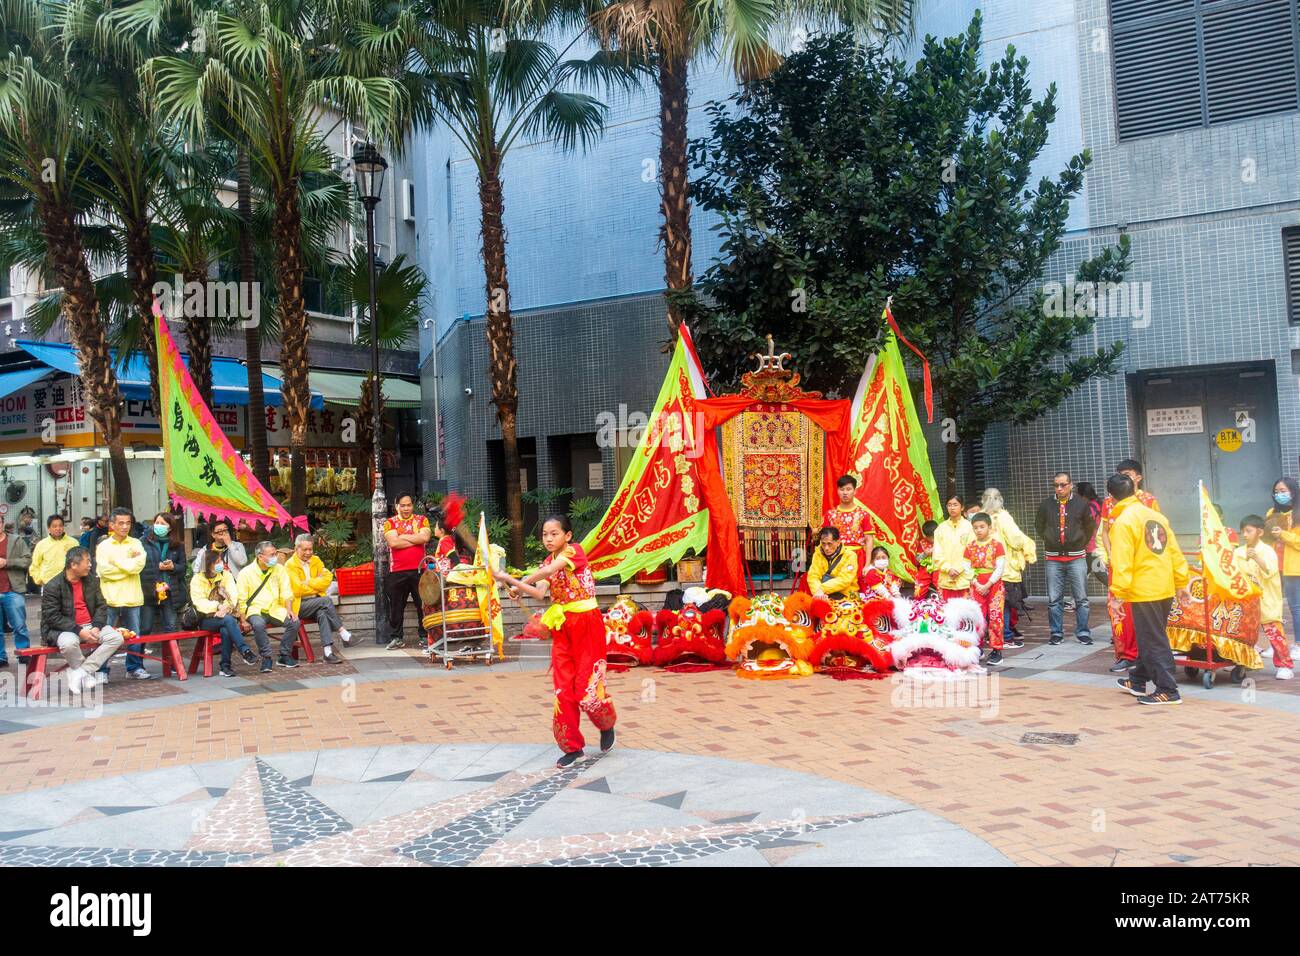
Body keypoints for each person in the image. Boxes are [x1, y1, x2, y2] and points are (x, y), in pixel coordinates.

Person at [493, 515, 615, 768]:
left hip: (587, 626)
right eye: (545, 535)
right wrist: (514, 585)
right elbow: (539, 592)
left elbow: (549, 571)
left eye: (554, 533)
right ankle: (573, 747)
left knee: (588, 688)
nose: (548, 539)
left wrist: (516, 579)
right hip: (563, 628)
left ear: (567, 536)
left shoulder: (575, 552)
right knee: (564, 688)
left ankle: (605, 723)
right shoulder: (548, 560)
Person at [1109, 473, 1191, 705]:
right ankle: (1138, 678)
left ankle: (1168, 689)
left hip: (1144, 589)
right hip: (1163, 586)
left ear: (1111, 497)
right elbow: (1174, 551)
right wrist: (1180, 581)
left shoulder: (1124, 522)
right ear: (1135, 490)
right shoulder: (1156, 516)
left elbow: (1122, 561)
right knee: (1151, 636)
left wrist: (1119, 594)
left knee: (1153, 639)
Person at [1096, 458, 1160, 670]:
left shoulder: (1148, 500)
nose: (1124, 479)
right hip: (1118, 565)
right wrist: (1111, 554)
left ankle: (1143, 657)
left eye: (1129, 475)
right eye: (1121, 475)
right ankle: (1125, 655)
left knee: (1141, 610)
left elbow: (1156, 534)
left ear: (1138, 477)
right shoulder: (1108, 502)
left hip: (1141, 566)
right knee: (1118, 611)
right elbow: (1105, 531)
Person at [40, 548, 123, 695]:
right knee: (69, 643)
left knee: (116, 637)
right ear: (73, 565)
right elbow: (52, 617)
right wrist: (79, 631)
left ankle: (81, 672)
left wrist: (97, 626)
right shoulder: (53, 585)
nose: (90, 565)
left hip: (91, 625)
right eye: (87, 561)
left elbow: (101, 606)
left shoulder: (91, 580)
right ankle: (84, 674)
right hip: (64, 629)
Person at [1035, 471, 1095, 647]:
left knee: (1081, 598)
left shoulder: (1081, 504)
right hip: (1053, 558)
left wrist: (1080, 541)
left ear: (1070, 485)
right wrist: (1049, 538)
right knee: (1054, 599)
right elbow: (1039, 525)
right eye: (1056, 485)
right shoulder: (1046, 504)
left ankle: (1083, 632)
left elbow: (1089, 526)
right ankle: (1056, 633)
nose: (1059, 488)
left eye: (1062, 485)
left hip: (1077, 557)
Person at [95, 508, 150, 679]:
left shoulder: (136, 543)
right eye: (121, 523)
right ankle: (101, 670)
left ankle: (133, 668)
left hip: (132, 597)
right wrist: (127, 568)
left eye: (128, 523)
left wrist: (117, 563)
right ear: (111, 525)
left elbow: (138, 566)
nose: (125, 526)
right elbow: (104, 571)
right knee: (105, 637)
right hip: (109, 598)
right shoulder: (103, 545)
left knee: (134, 635)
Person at [1238, 515, 1291, 680]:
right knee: (1242, 633)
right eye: (1243, 531)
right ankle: (1243, 662)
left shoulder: (1268, 551)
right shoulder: (1238, 552)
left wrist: (1256, 558)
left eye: (1248, 531)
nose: (1245, 535)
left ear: (1260, 532)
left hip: (1266, 599)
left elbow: (1270, 572)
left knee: (1274, 633)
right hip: (1246, 600)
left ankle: (1284, 666)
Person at [191, 547, 257, 677]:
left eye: (220, 561)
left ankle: (225, 667)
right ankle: (244, 650)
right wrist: (217, 607)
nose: (220, 564)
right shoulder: (197, 579)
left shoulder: (226, 575)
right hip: (205, 619)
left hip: (225, 615)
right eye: (217, 562)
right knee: (228, 621)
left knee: (226, 627)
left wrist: (225, 608)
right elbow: (198, 602)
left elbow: (233, 595)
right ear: (208, 564)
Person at [285, 534, 350, 663]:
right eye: (305, 550)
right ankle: (343, 632)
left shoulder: (316, 560)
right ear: (296, 548)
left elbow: (327, 579)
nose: (308, 553)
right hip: (299, 605)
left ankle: (328, 652)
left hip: (316, 602)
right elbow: (297, 590)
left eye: (310, 549)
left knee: (323, 613)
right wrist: (317, 586)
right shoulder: (290, 565)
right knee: (326, 601)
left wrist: (308, 582)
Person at [982, 487, 1034, 647]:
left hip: (984, 569)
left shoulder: (979, 518)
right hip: (1004, 568)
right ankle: (1005, 635)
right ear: (1000, 499)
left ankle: (989, 635)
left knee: (989, 604)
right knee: (1003, 604)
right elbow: (1016, 540)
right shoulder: (1003, 517)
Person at [237, 541, 298, 672]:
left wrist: (289, 609)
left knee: (294, 622)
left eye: (275, 553)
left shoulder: (279, 569)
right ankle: (266, 657)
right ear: (260, 556)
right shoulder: (245, 573)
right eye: (271, 555)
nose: (275, 557)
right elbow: (241, 599)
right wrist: (243, 620)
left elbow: (287, 590)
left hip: (275, 608)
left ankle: (284, 655)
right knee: (258, 625)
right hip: (256, 610)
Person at [383, 492, 432, 650]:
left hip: (420, 570)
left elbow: (424, 538)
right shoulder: (390, 522)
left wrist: (402, 536)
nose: (406, 508)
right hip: (396, 571)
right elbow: (393, 543)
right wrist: (413, 537)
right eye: (402, 505)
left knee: (423, 605)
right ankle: (397, 638)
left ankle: (425, 636)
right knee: (396, 607)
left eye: (409, 505)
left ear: (412, 505)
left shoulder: (421, 520)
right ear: (396, 506)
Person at [964, 512, 1007, 665]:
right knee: (977, 617)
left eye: (982, 527)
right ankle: (978, 648)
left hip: (994, 585)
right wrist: (976, 583)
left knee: (995, 616)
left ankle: (996, 650)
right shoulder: (970, 547)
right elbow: (966, 567)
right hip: (976, 585)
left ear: (989, 527)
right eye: (975, 527)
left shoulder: (997, 545)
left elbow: (1000, 567)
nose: (979, 530)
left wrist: (987, 584)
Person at [1265, 476, 1300, 653]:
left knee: (1295, 607)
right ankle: (1276, 644)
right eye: (1276, 492)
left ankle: (1299, 645)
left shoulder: (1298, 513)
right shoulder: (1272, 513)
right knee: (1272, 606)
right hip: (1273, 566)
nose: (1279, 495)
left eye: (1283, 491)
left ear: (1293, 492)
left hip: (1293, 568)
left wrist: (1284, 535)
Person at [822, 475, 873, 593]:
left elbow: (869, 540)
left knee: (861, 591)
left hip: (858, 557)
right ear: (837, 491)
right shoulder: (830, 514)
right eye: (842, 489)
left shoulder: (863, 514)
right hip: (836, 557)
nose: (845, 493)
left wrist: (867, 564)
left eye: (848, 489)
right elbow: (824, 541)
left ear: (855, 491)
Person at [140, 512, 185, 645]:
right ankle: (136, 663)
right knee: (145, 628)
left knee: (171, 627)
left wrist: (173, 567)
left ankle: (173, 664)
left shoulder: (178, 545)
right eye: (157, 523)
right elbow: (140, 566)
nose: (158, 526)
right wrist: (157, 567)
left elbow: (183, 568)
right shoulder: (144, 542)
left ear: (170, 528)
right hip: (149, 591)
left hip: (170, 592)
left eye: (163, 524)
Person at [0, 521, 32, 668]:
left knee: (19, 625)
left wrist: (7, 562)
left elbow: (27, 561)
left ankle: (24, 652)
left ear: (2, 524)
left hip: (13, 590)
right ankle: (1, 657)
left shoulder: (16, 540)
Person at [934, 495, 975, 600]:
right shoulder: (941, 528)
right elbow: (937, 553)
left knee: (965, 613)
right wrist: (948, 569)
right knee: (947, 613)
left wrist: (959, 569)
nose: (952, 508)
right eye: (949, 505)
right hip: (946, 578)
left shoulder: (969, 527)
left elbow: (972, 551)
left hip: (965, 578)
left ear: (962, 507)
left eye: (955, 505)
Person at [808, 526, 859, 601]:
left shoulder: (850, 555)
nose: (826, 548)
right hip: (823, 594)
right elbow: (813, 575)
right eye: (823, 544)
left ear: (838, 542)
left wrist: (822, 589)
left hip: (846, 595)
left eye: (829, 544)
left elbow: (844, 579)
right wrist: (818, 592)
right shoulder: (818, 554)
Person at [30, 515, 79, 589]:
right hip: (48, 584)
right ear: (49, 528)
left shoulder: (73, 542)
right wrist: (40, 580)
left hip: (69, 584)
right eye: (54, 526)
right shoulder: (41, 544)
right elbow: (35, 565)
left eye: (60, 526)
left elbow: (79, 562)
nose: (58, 528)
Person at [1075, 481, 1106, 588]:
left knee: (1100, 574)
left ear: (1083, 495)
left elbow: (1085, 523)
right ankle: (1075, 601)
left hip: (1093, 548)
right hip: (1090, 547)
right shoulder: (1096, 504)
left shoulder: (1092, 507)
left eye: (1076, 493)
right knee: (1081, 575)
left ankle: (1120, 596)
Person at [912, 520, 938, 599]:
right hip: (925, 567)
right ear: (926, 536)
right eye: (930, 538)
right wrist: (924, 554)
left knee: (938, 580)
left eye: (934, 537)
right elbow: (917, 560)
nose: (933, 540)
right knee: (921, 581)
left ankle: (942, 597)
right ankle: (917, 600)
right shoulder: (922, 543)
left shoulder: (943, 540)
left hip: (939, 565)